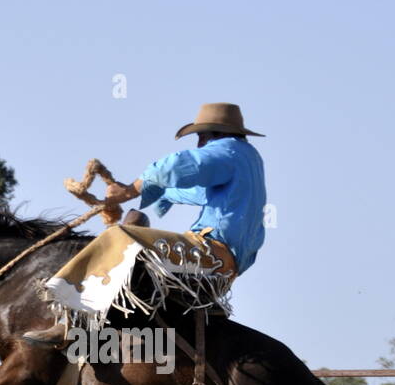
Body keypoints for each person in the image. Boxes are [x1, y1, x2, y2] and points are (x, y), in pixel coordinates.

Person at [24, 102, 267, 348]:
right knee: (136, 226)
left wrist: (130, 190)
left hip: (209, 253)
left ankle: (73, 320)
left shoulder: (227, 151)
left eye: (201, 136)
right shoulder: (247, 160)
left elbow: (179, 165)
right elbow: (196, 192)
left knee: (121, 236)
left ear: (215, 134)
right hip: (224, 265)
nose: (198, 143)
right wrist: (152, 194)